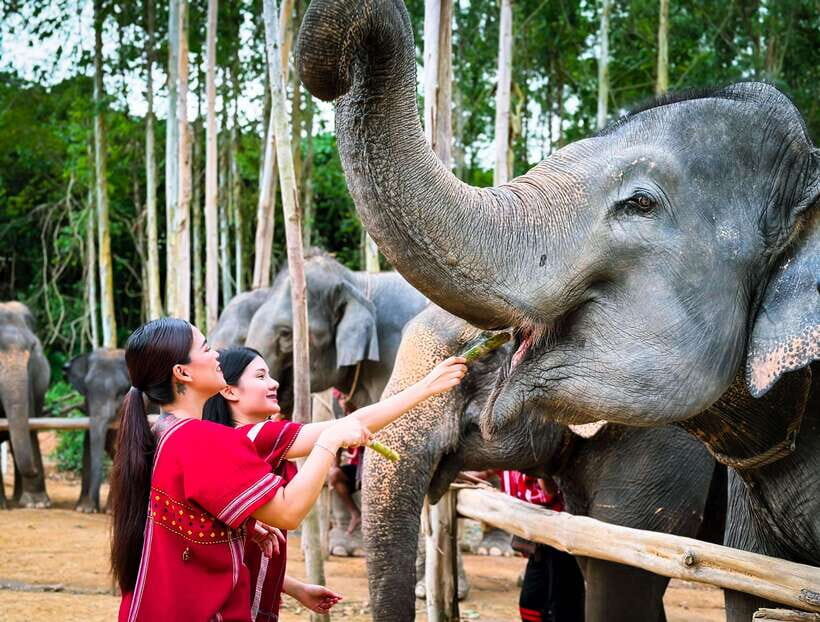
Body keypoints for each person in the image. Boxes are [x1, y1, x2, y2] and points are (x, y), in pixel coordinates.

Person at [110, 318, 466, 622]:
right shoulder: (203, 440)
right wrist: (331, 442)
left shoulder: (163, 432)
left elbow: (195, 524)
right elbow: (288, 512)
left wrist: (247, 530)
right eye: (205, 347)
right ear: (183, 372)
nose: (216, 353)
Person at [202, 346, 340, 621]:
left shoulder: (223, 443)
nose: (274, 382)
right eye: (261, 376)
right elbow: (351, 424)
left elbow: (236, 550)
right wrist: (425, 388)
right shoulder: (253, 436)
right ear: (230, 391)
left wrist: (295, 588)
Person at [499, 471, 585, 622]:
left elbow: (549, 490)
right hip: (537, 542)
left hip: (561, 538)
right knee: (529, 605)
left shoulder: (535, 457)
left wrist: (541, 468)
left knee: (561, 607)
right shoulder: (507, 459)